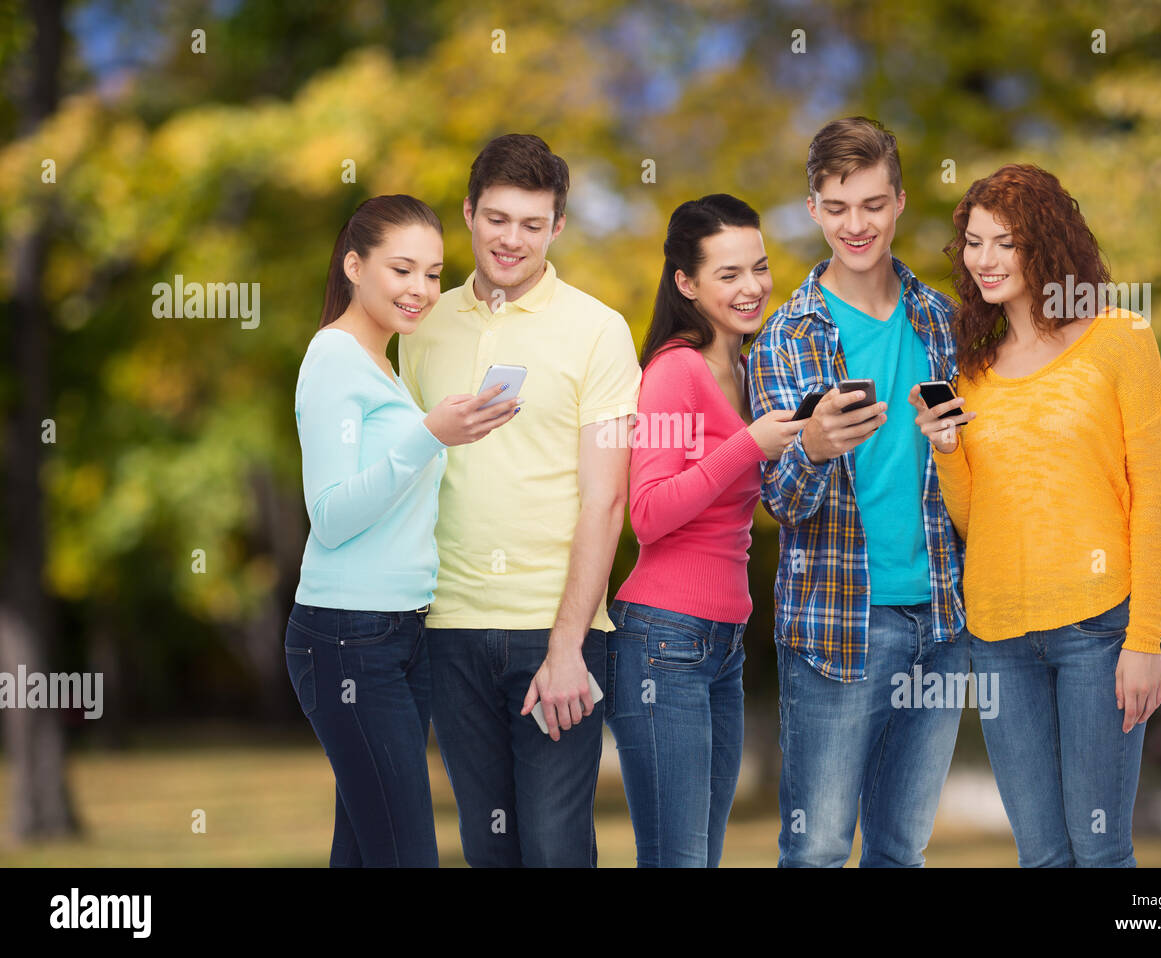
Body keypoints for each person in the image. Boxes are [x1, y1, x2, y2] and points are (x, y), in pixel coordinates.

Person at [916, 162, 1161, 867]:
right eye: (973, 241)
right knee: (1043, 857)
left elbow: (1151, 500)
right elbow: (975, 518)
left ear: (1046, 245)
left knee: (1099, 849)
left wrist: (1143, 639)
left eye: (1006, 242)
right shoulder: (973, 366)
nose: (984, 259)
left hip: (1097, 629)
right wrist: (945, 447)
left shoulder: (1120, 338)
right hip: (996, 637)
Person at [398, 134, 641, 867]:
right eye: (497, 218)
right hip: (448, 627)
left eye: (533, 224)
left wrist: (568, 646)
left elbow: (606, 500)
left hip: (554, 632)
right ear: (469, 213)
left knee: (556, 847)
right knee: (487, 846)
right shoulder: (419, 325)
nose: (512, 239)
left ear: (558, 227)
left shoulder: (598, 330)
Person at [748, 116, 970, 867]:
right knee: (815, 849)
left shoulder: (946, 324)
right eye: (837, 207)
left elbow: (977, 467)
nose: (856, 225)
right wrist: (810, 447)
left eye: (872, 205)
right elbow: (781, 501)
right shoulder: (786, 336)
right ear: (812, 208)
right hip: (838, 625)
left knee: (902, 849)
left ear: (899, 203)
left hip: (942, 621)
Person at [285, 194, 520, 867]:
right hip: (346, 637)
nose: (421, 290)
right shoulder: (334, 359)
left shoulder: (385, 365)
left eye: (434, 273)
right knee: (406, 853)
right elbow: (329, 516)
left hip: (399, 633)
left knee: (364, 851)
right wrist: (427, 436)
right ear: (354, 266)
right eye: (403, 270)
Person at [606, 195, 802, 867]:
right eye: (728, 274)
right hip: (663, 640)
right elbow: (649, 513)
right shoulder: (673, 371)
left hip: (720, 645)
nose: (751, 288)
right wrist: (749, 443)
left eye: (760, 267)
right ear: (686, 283)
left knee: (698, 857)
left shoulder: (748, 368)